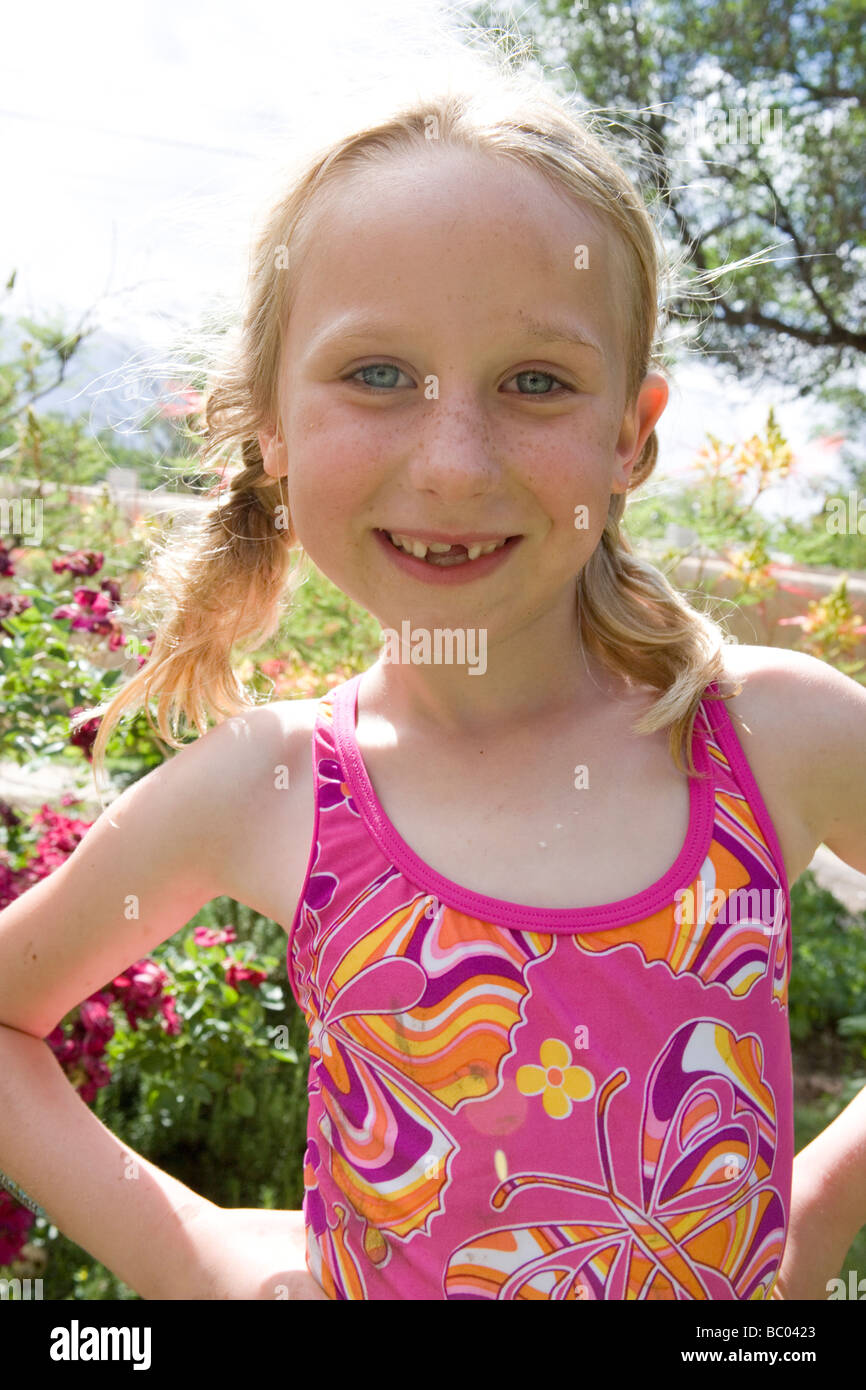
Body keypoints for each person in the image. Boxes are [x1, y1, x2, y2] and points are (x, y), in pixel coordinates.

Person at [1, 42, 865, 1303]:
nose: (455, 463)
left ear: (629, 436)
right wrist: (187, 1257)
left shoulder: (770, 739)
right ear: (273, 427)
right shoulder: (264, 787)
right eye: (377, 376)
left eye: (534, 381)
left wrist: (822, 1202)